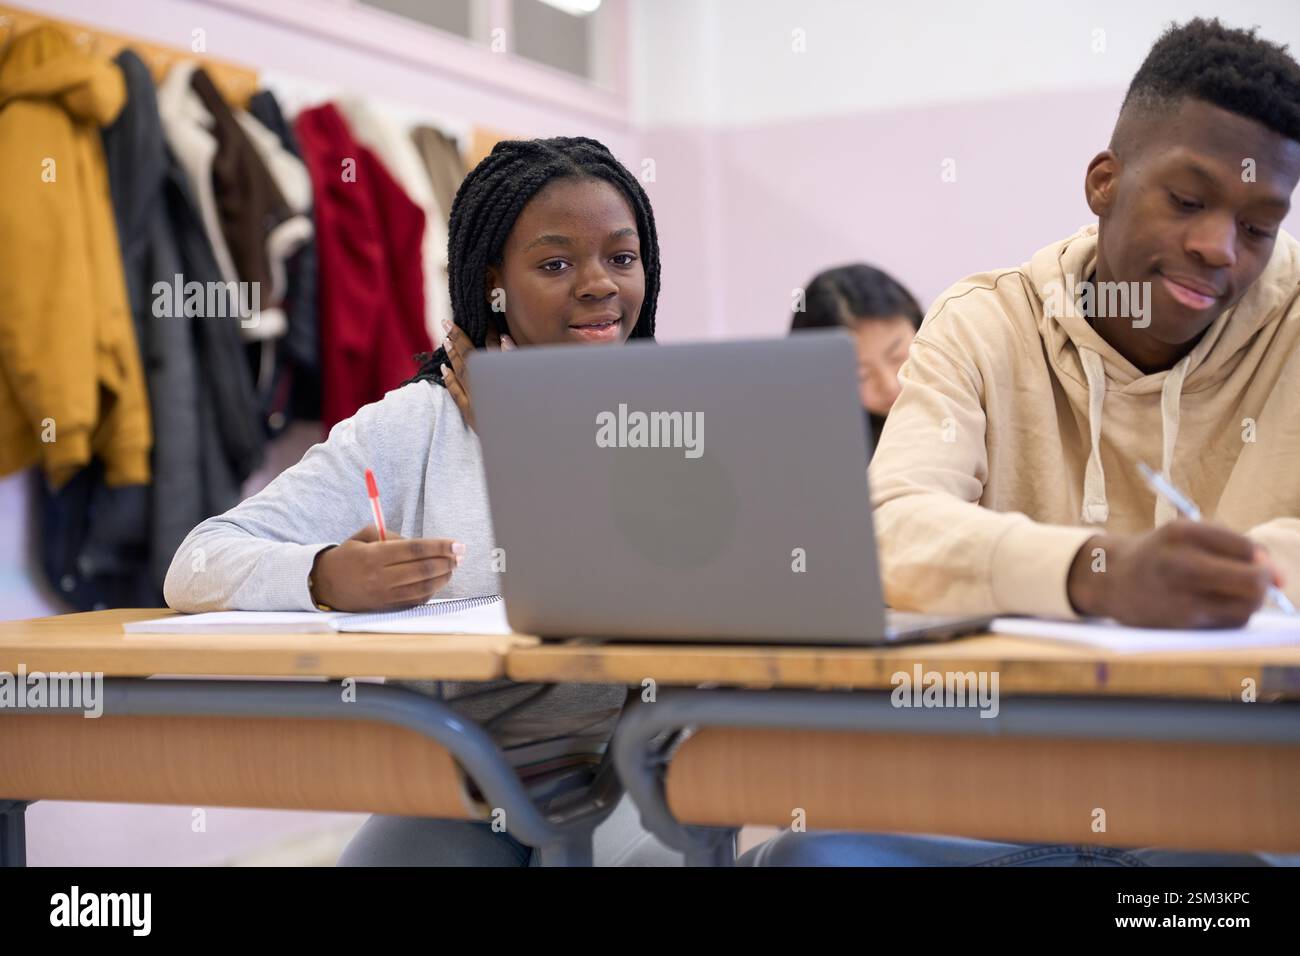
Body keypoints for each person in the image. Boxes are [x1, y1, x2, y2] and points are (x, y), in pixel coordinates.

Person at [745, 18, 1300, 867]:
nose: (1218, 248)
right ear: (1105, 182)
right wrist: (1102, 574)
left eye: (1258, 226)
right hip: (1006, 791)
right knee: (808, 860)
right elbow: (889, 523)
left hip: (1226, 804)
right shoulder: (984, 322)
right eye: (1188, 200)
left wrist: (1243, 572)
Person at [165, 136, 679, 866]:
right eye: (556, 263)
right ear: (491, 280)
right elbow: (197, 561)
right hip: (465, 782)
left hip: (636, 767)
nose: (600, 284)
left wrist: (539, 445)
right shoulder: (415, 425)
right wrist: (325, 577)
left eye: (622, 258)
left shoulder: (686, 411)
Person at [791, 263, 922, 452]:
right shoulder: (821, 449)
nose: (890, 384)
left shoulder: (964, 396)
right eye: (861, 375)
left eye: (896, 356)